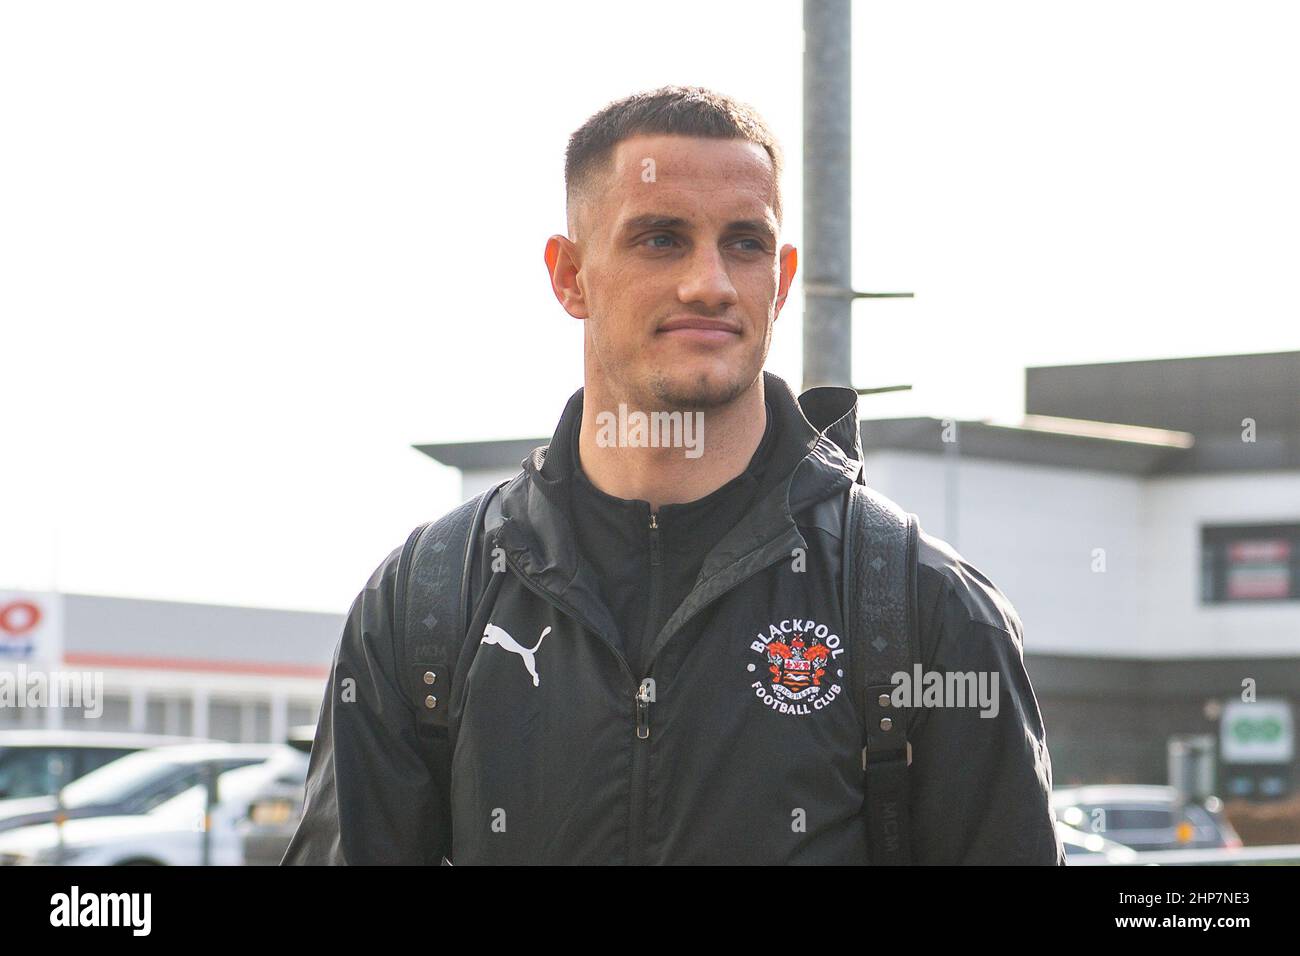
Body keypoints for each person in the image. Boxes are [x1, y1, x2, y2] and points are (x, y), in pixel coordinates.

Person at [283, 85, 1064, 865]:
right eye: (661, 239)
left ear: (783, 278)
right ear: (570, 276)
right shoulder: (423, 604)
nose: (711, 284)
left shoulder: (924, 610)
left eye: (746, 244)